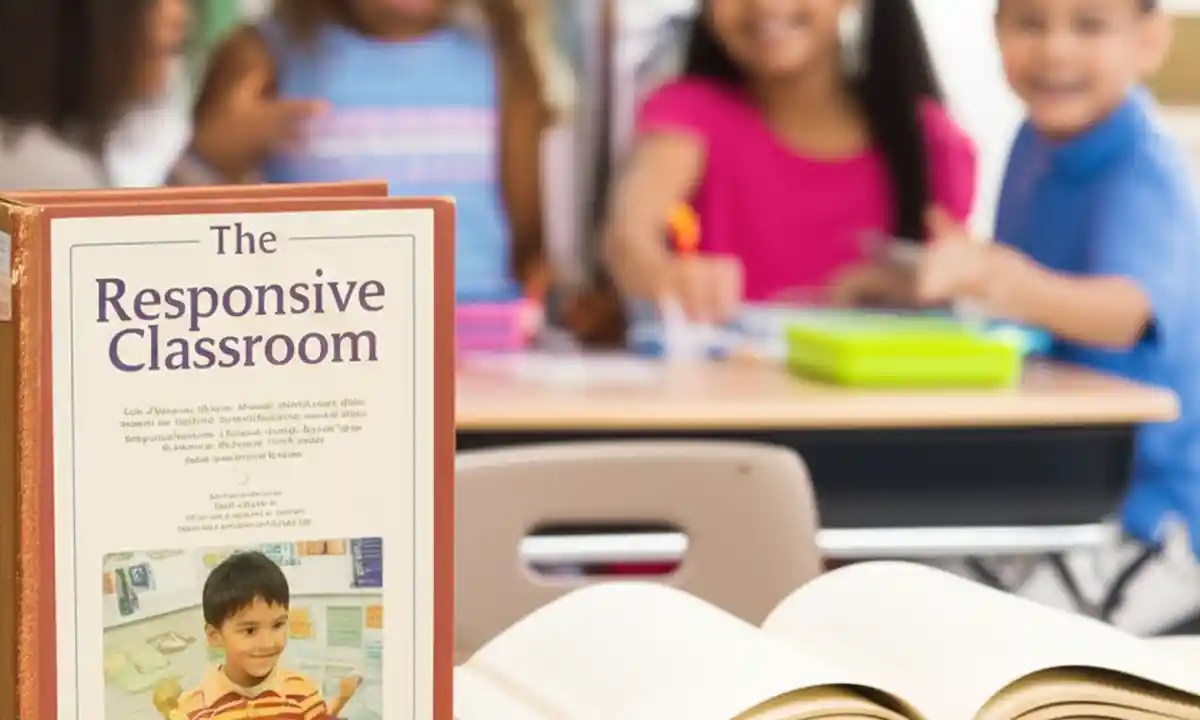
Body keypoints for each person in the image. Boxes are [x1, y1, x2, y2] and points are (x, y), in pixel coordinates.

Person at [0, 0, 317, 535]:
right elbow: (151, 318)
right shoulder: (26, 169)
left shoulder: (12, 153)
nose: (178, 14)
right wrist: (203, 165)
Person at [918, 0, 1200, 557]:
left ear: (1149, 41)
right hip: (1054, 462)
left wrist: (1002, 278)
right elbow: (1026, 302)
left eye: (1089, 25)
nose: (1056, 49)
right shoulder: (1035, 141)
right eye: (1029, 23)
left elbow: (1127, 313)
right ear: (997, 33)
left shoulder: (1141, 167)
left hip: (1145, 512)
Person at [603, 0, 977, 323]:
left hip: (884, 402)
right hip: (728, 398)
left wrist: (903, 287)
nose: (766, 4)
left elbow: (960, 283)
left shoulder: (932, 144)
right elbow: (629, 236)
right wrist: (665, 277)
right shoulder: (688, 116)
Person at [190, 0, 551, 303]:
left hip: (476, 324)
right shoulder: (259, 54)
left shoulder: (500, 60)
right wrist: (216, 152)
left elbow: (528, 236)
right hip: (320, 333)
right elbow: (195, 221)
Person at [171, 551, 361, 720]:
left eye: (278, 625)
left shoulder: (301, 692)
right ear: (214, 635)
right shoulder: (192, 709)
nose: (268, 643)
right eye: (250, 630)